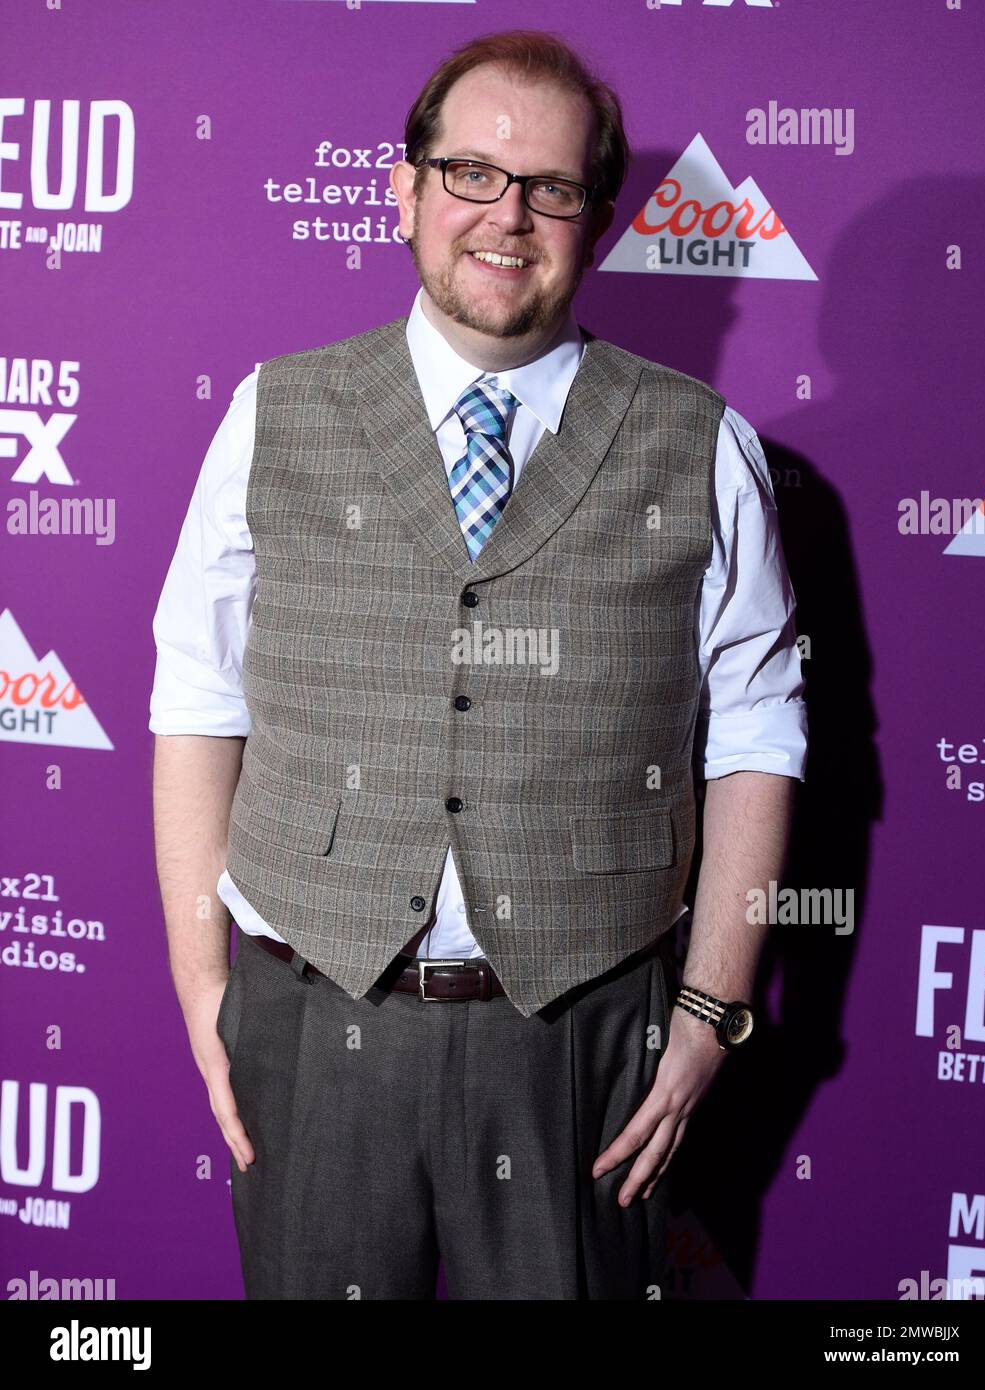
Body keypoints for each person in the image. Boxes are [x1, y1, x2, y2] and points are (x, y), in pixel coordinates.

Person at [150, 29, 807, 1300]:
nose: (507, 216)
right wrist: (201, 991)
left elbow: (758, 731)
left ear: (598, 220)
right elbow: (198, 696)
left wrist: (713, 1014)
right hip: (308, 1022)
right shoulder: (271, 413)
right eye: (469, 173)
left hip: (579, 1041)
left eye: (550, 187)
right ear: (401, 190)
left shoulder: (702, 443)